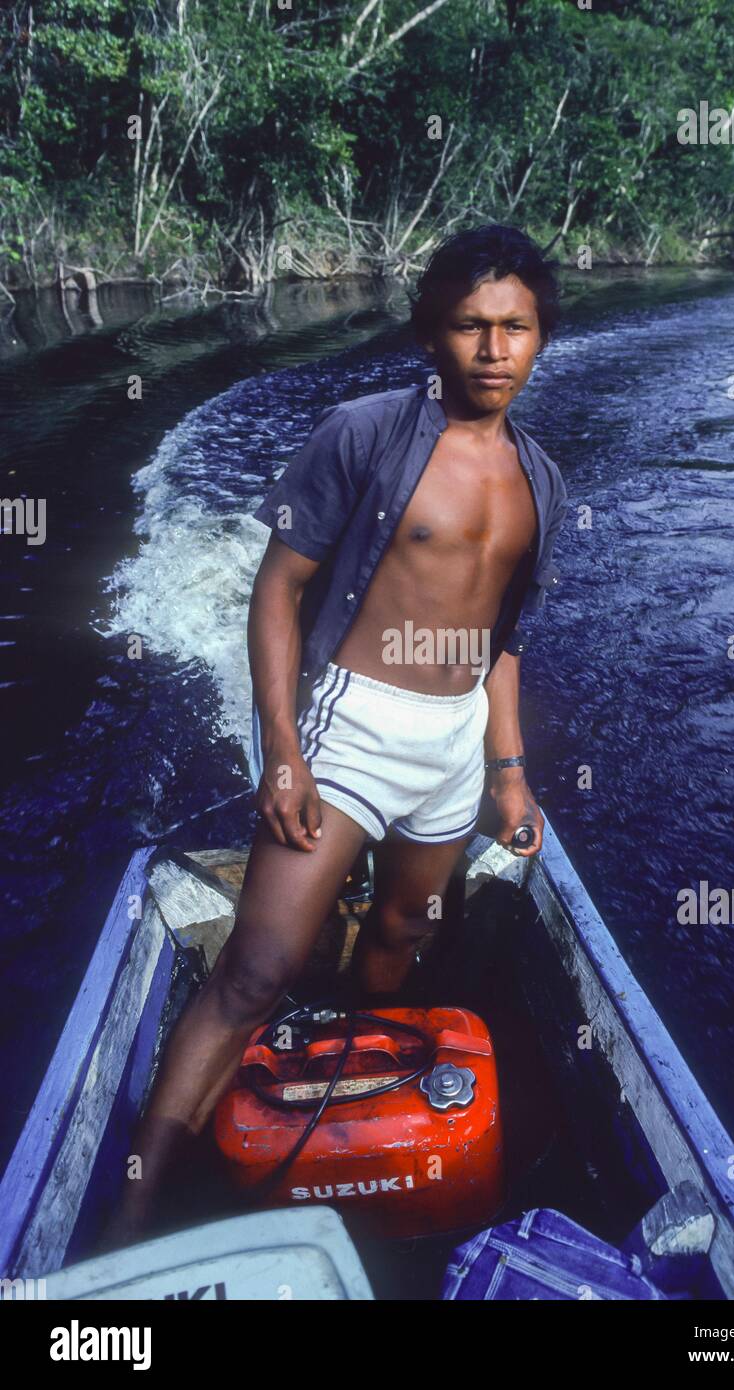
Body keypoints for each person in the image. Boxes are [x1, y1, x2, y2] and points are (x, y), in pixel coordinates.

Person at [103, 223, 569, 1248]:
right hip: (353, 719)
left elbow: (502, 646)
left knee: (404, 937)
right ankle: (141, 1199)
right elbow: (278, 588)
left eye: (515, 328)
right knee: (258, 966)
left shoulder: (542, 480)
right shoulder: (363, 433)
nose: (494, 348)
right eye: (471, 326)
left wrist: (512, 774)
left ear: (539, 338)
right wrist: (284, 749)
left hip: (453, 742)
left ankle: (347, 1120)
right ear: (432, 334)